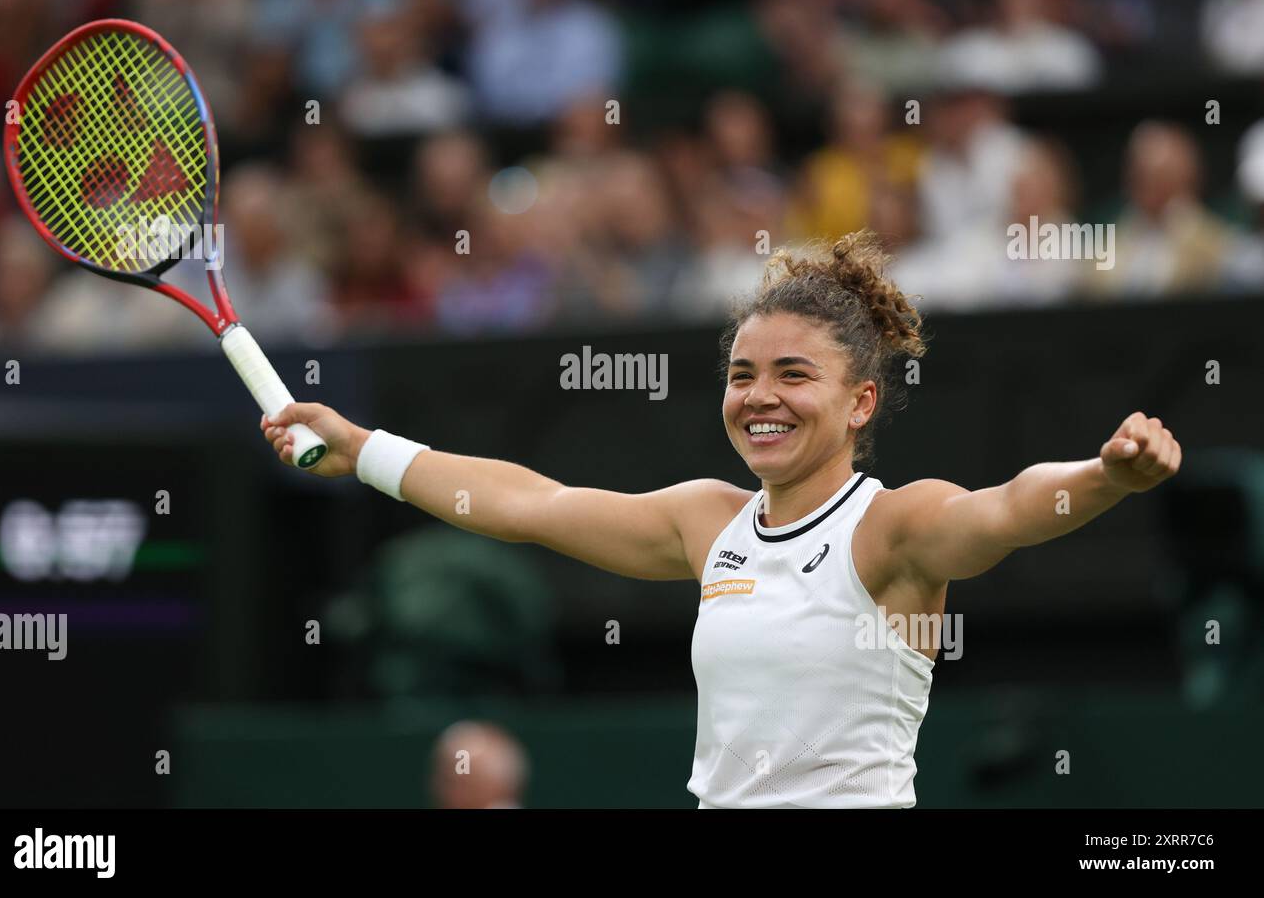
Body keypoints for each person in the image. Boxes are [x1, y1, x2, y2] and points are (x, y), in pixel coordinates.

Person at [260, 230, 1182, 808]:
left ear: (860, 403)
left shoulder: (895, 530)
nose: (760, 398)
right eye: (744, 375)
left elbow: (1010, 510)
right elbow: (530, 503)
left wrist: (1106, 474)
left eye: (793, 376)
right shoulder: (709, 524)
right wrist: (364, 451)